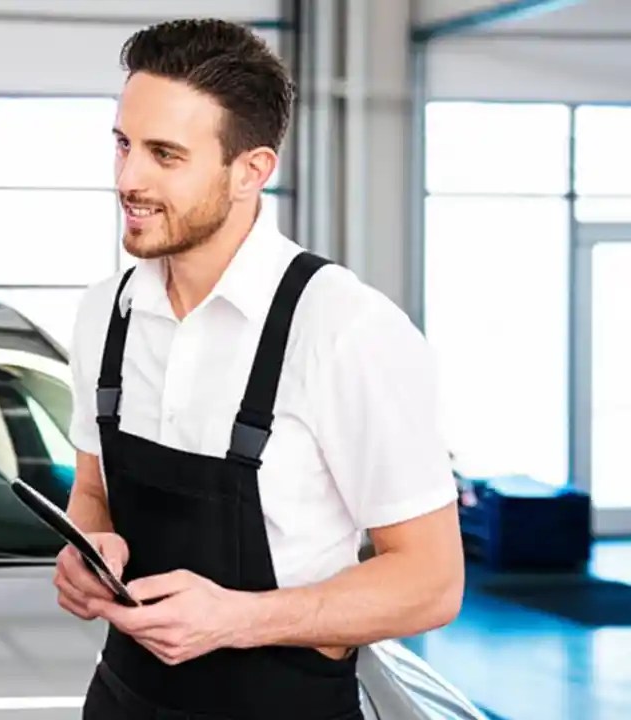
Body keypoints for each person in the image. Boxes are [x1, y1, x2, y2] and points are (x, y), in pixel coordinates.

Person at [54, 18, 465, 719]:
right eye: (123, 144)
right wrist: (87, 550)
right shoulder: (106, 313)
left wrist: (237, 619)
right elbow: (93, 488)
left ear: (252, 170)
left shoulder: (345, 330)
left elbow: (431, 583)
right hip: (123, 698)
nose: (128, 179)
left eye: (164, 155)